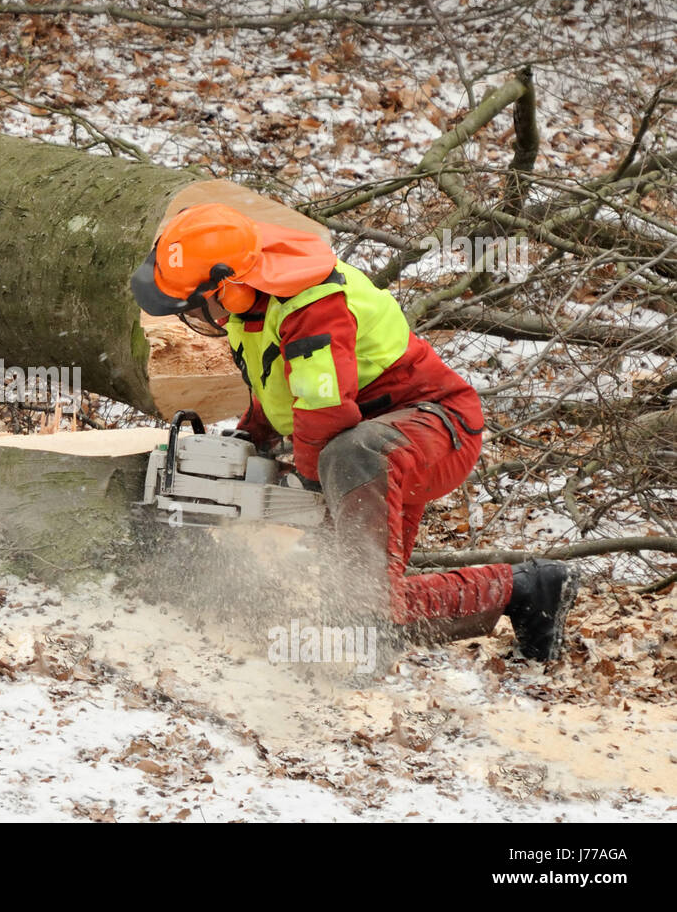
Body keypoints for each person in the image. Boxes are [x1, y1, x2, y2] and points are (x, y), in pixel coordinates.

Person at [130, 202, 577, 660]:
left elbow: (324, 413)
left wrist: (306, 486)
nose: (197, 319)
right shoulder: (257, 300)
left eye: (197, 306)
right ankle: (523, 591)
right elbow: (281, 385)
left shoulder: (312, 306)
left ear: (231, 287)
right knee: (361, 605)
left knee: (351, 523)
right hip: (371, 442)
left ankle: (369, 625)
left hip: (434, 427)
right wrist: (252, 438)